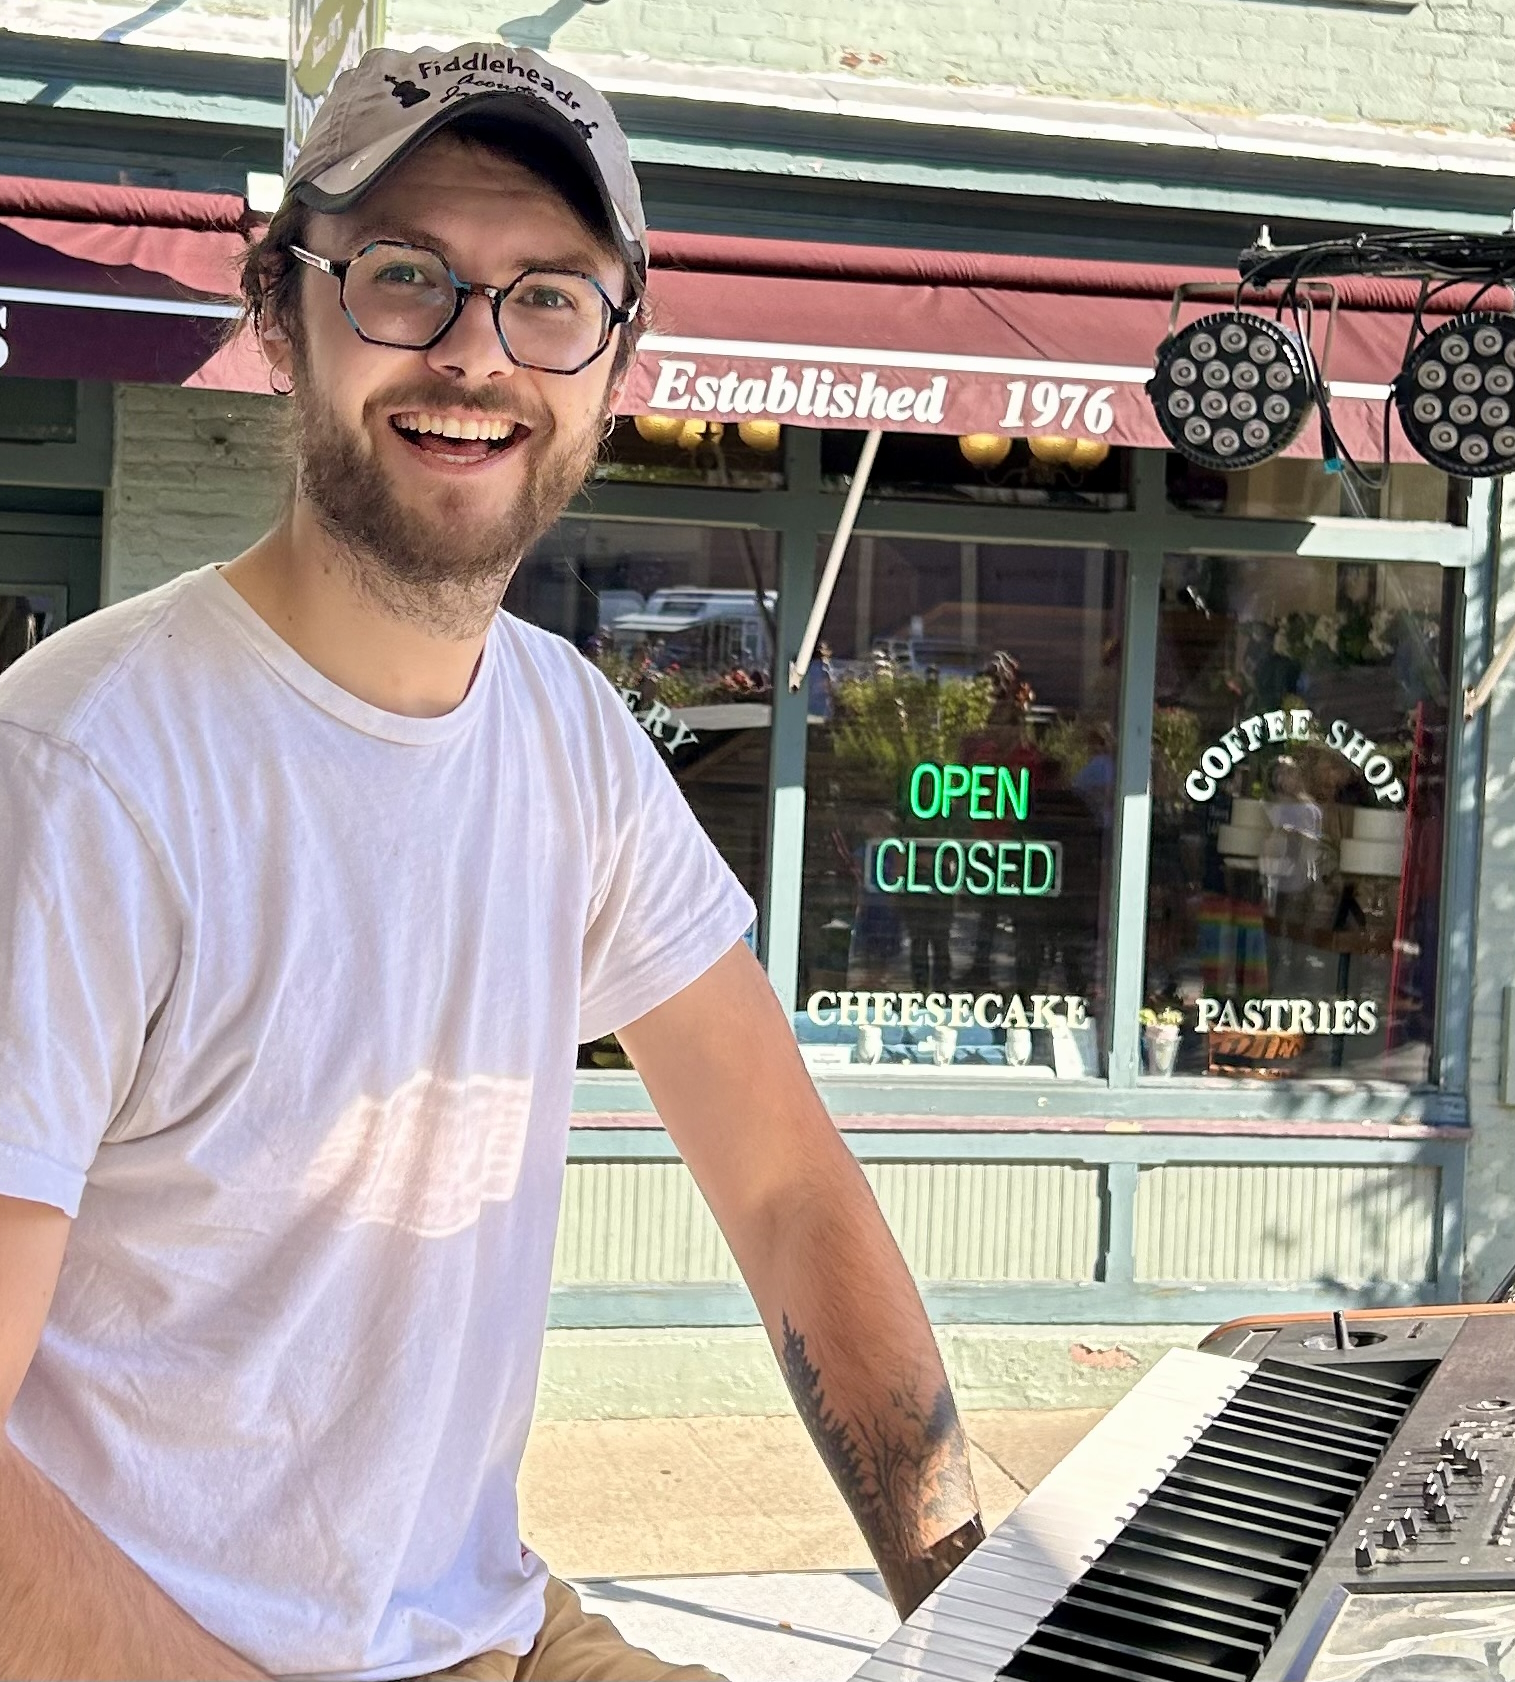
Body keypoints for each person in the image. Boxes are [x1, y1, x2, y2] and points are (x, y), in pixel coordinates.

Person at [0, 40, 986, 1682]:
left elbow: (789, 1191)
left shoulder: (567, 737)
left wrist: (975, 1612)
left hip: (490, 1632)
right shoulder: (82, 770)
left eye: (547, 298)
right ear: (280, 315)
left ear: (616, 358)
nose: (474, 355)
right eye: (405, 279)